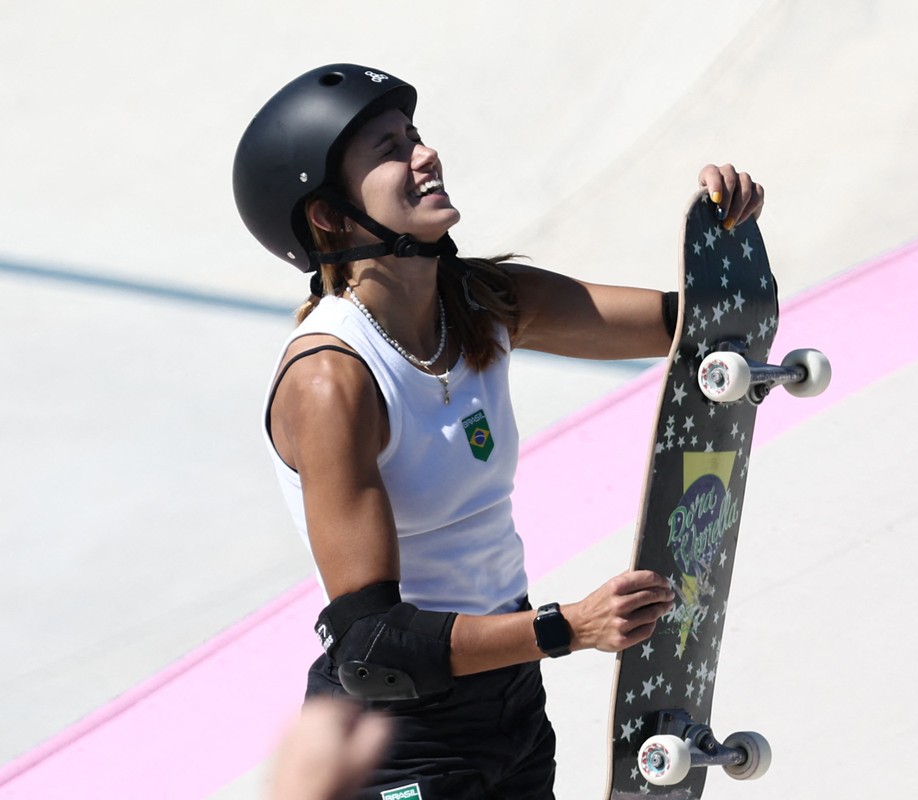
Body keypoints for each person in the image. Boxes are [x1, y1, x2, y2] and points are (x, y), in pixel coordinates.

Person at [233, 63, 764, 799]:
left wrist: (726, 237)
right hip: (397, 738)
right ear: (329, 216)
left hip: (510, 708)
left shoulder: (482, 303)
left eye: (415, 135)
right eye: (388, 148)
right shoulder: (333, 379)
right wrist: (567, 628)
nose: (424, 155)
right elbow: (370, 644)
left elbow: (707, 331)